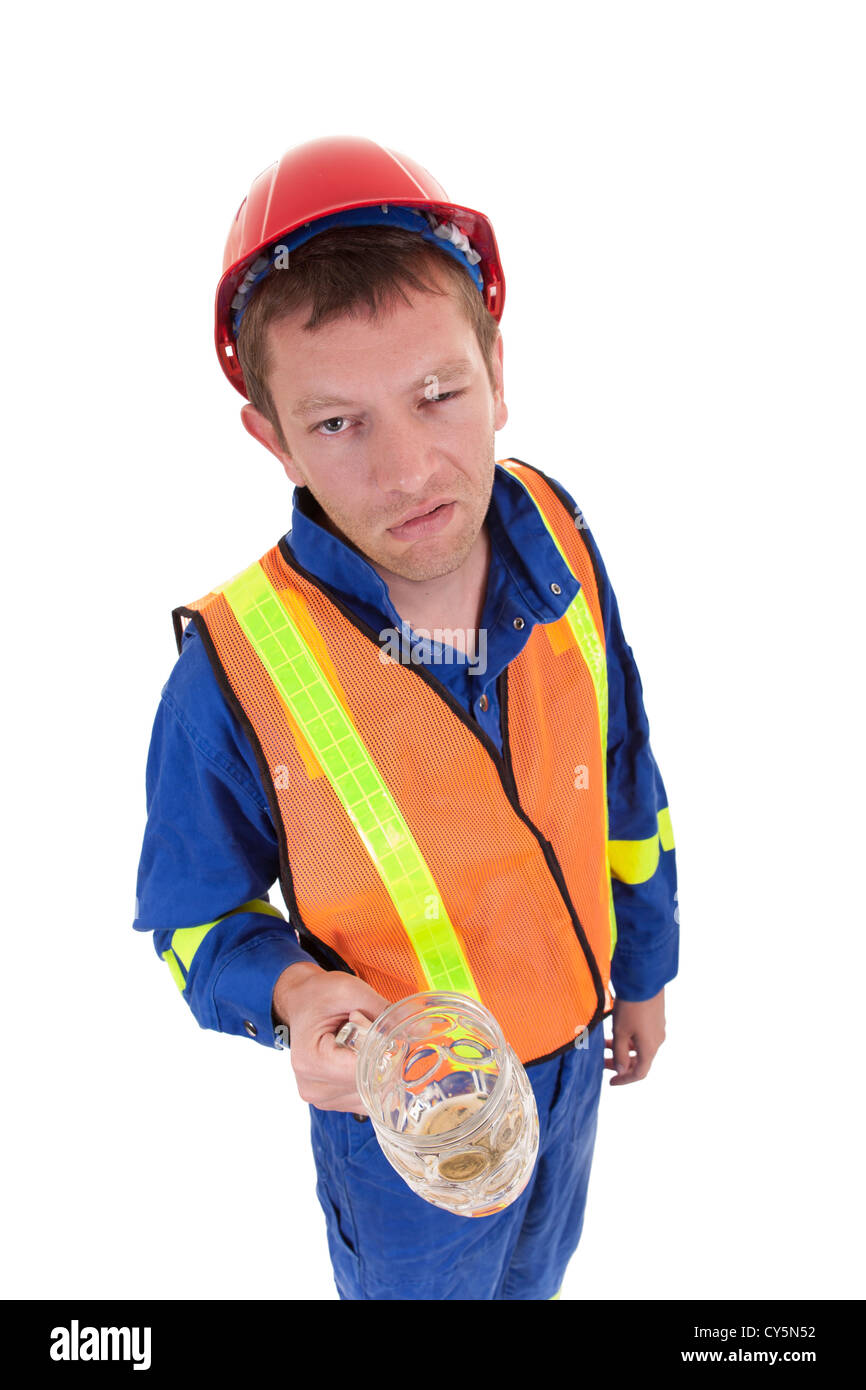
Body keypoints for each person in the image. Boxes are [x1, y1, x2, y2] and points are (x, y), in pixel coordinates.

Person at [133, 135, 679, 1301]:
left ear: (496, 370)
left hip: (574, 1057)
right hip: (406, 1122)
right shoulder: (233, 666)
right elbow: (190, 914)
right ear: (269, 435)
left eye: (439, 394)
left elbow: (622, 762)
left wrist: (642, 964)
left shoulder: (558, 532)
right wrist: (286, 997)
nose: (407, 467)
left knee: (536, 1276)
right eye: (338, 424)